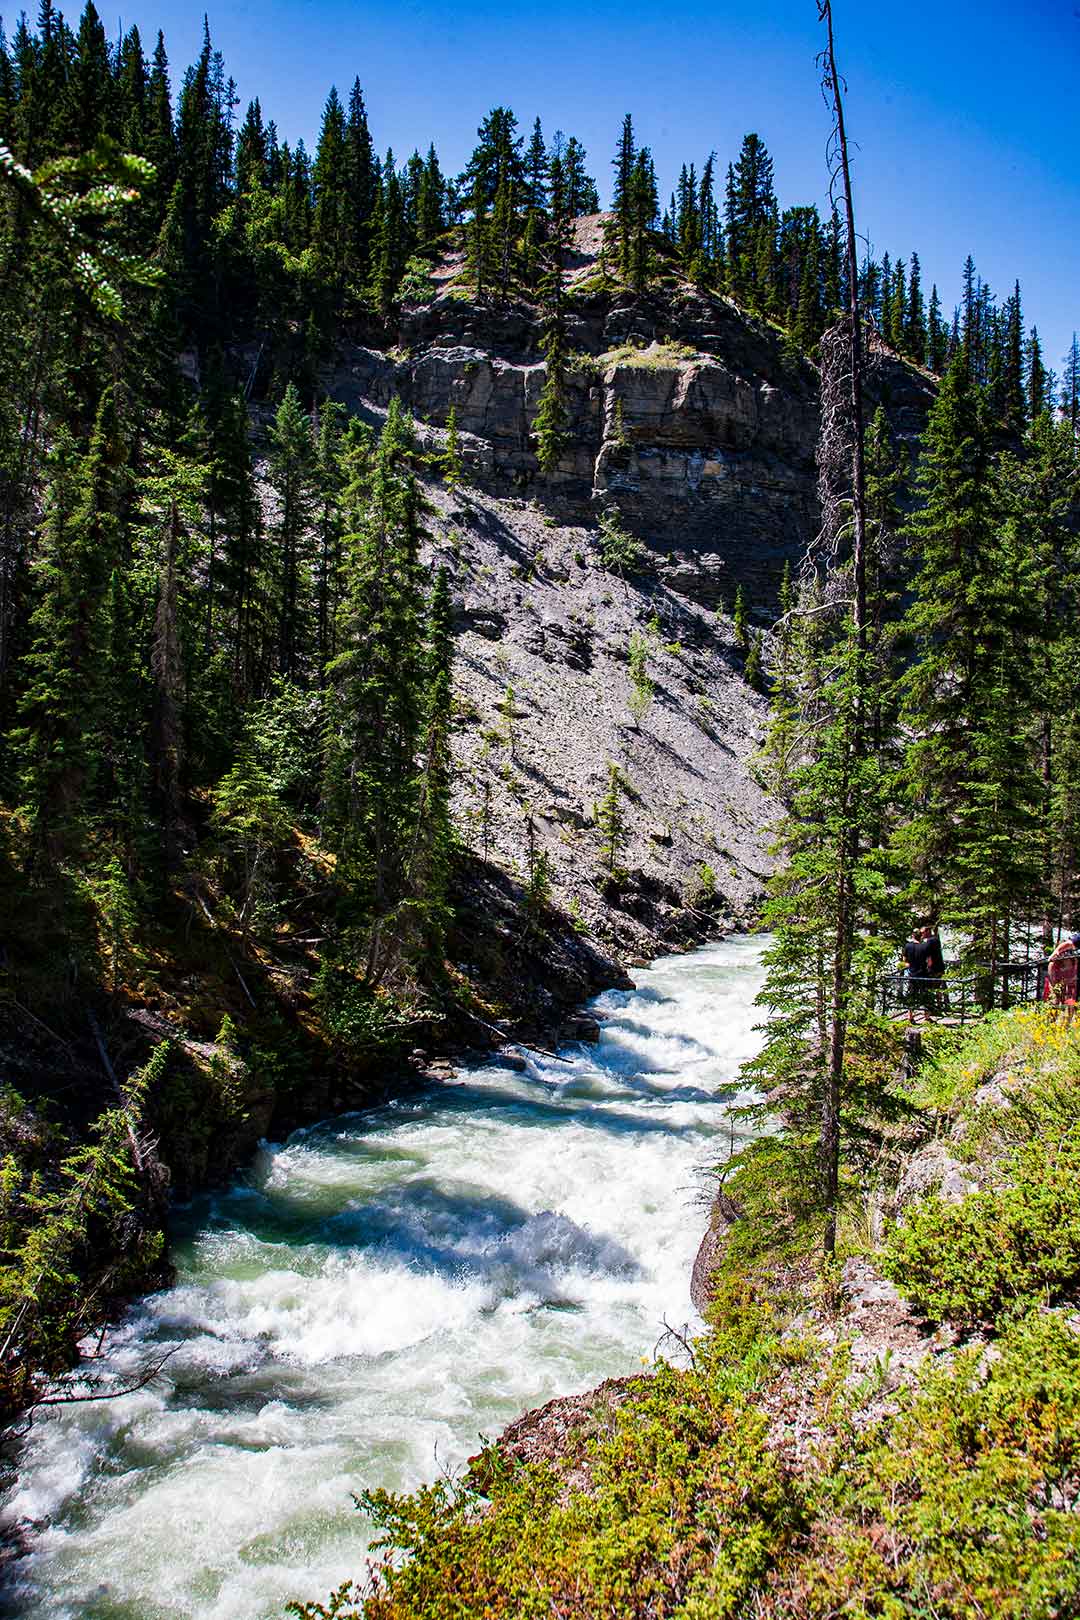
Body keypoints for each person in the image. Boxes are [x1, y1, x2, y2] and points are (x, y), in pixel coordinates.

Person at [1044, 936, 1078, 1023]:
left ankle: (1066, 1025)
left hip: (1070, 987)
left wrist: (1071, 981)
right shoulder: (1054, 963)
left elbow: (1074, 975)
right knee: (1055, 1000)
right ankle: (1050, 1023)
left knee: (1070, 1001)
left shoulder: (1074, 960)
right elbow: (1052, 979)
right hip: (1058, 985)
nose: (1065, 954)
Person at [902, 925, 930, 1021]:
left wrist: (909, 965)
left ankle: (910, 1015)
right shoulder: (924, 947)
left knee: (911, 994)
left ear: (912, 936)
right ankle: (926, 1016)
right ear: (920, 936)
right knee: (925, 994)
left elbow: (904, 960)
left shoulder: (908, 946)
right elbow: (929, 961)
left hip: (912, 973)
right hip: (923, 973)